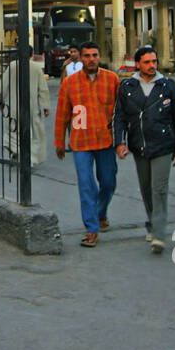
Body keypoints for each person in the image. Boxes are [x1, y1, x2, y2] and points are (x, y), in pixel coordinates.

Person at [114, 46, 175, 254]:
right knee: (146, 188)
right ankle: (152, 222)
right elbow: (120, 117)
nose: (152, 65)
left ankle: (159, 234)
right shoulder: (128, 87)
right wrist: (120, 142)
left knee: (159, 189)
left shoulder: (168, 86)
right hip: (139, 145)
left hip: (163, 145)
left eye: (154, 61)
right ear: (137, 64)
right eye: (147, 62)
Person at [54, 41, 121, 247]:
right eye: (87, 56)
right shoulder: (70, 83)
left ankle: (101, 212)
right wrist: (59, 141)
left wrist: (122, 141)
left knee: (108, 182)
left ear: (99, 56)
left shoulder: (112, 80)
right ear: (80, 58)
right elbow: (63, 113)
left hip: (106, 140)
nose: (91, 59)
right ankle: (91, 228)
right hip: (80, 142)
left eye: (94, 55)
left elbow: (122, 113)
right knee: (86, 185)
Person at [0, 46, 49, 167]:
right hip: (32, 106)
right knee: (32, 132)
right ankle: (29, 158)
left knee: (14, 128)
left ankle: (15, 151)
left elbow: (3, 85)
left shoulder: (12, 66)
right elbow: (42, 89)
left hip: (14, 105)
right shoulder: (37, 68)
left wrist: (0, 100)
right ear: (32, 54)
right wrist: (45, 106)